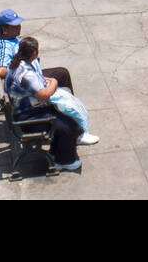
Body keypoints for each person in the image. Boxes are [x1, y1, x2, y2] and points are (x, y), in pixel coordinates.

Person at [5, 36, 90, 172]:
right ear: (34, 54)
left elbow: (35, 82)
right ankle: (64, 161)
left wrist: (46, 80)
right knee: (68, 124)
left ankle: (56, 151)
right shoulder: (26, 74)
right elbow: (43, 95)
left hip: (22, 107)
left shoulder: (16, 64)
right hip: (26, 116)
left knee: (63, 114)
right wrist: (54, 82)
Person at [0, 9, 77, 92]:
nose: (19, 27)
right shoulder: (4, 47)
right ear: (4, 30)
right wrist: (24, 73)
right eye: (15, 26)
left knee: (61, 73)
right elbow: (0, 71)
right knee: (63, 74)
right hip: (30, 82)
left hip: (34, 75)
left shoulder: (3, 37)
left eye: (19, 24)